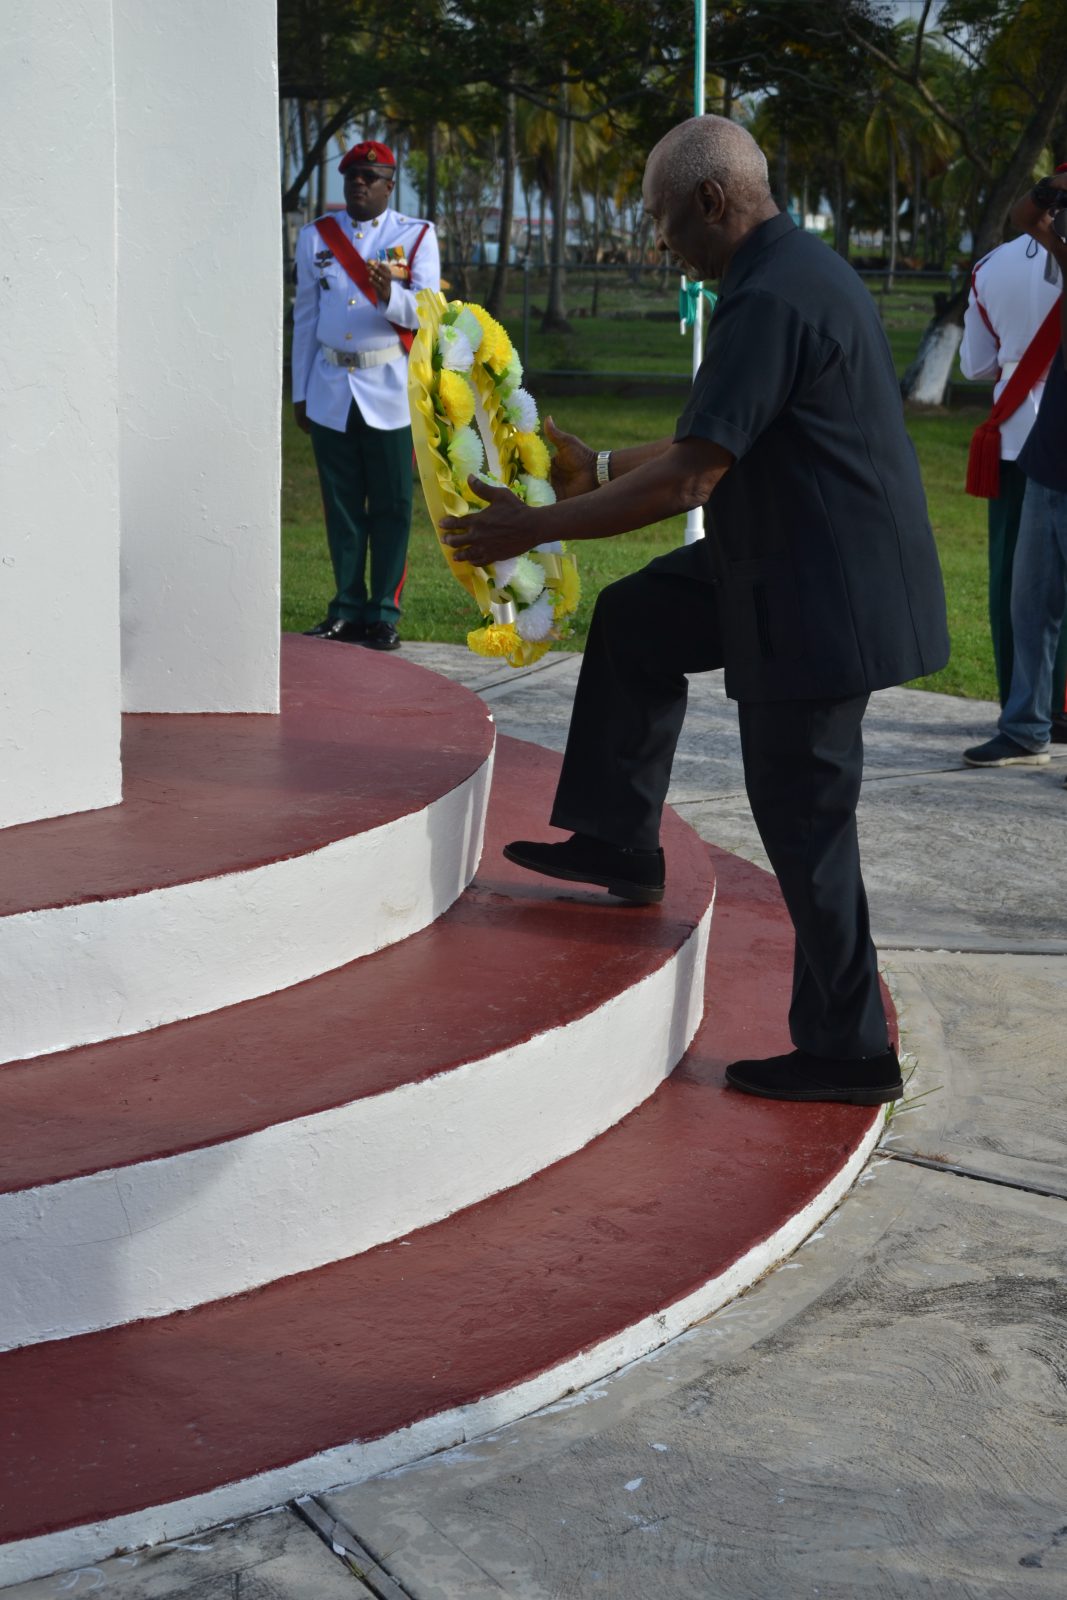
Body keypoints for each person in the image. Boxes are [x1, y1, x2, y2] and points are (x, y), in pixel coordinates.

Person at [440, 115, 949, 1109]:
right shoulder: (788, 273)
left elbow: (687, 481)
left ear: (712, 202)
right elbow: (705, 442)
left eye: (664, 220)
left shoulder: (766, 299)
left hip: (815, 600)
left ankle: (849, 1053)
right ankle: (618, 838)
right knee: (637, 619)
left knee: (805, 824)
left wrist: (534, 526)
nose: (660, 242)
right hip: (783, 561)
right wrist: (589, 470)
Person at [292, 140, 440, 650]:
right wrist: (300, 390)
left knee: (393, 505)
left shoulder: (415, 236)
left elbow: (427, 315)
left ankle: (384, 612)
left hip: (391, 389)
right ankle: (346, 607)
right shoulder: (316, 238)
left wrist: (387, 294)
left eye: (370, 176)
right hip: (331, 387)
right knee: (342, 505)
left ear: (388, 185)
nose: (360, 182)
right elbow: (306, 317)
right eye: (353, 175)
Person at [964, 172, 1067, 775]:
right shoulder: (1059, 253)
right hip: (1047, 454)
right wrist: (1054, 183)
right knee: (1030, 603)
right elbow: (1022, 217)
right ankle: (1025, 726)